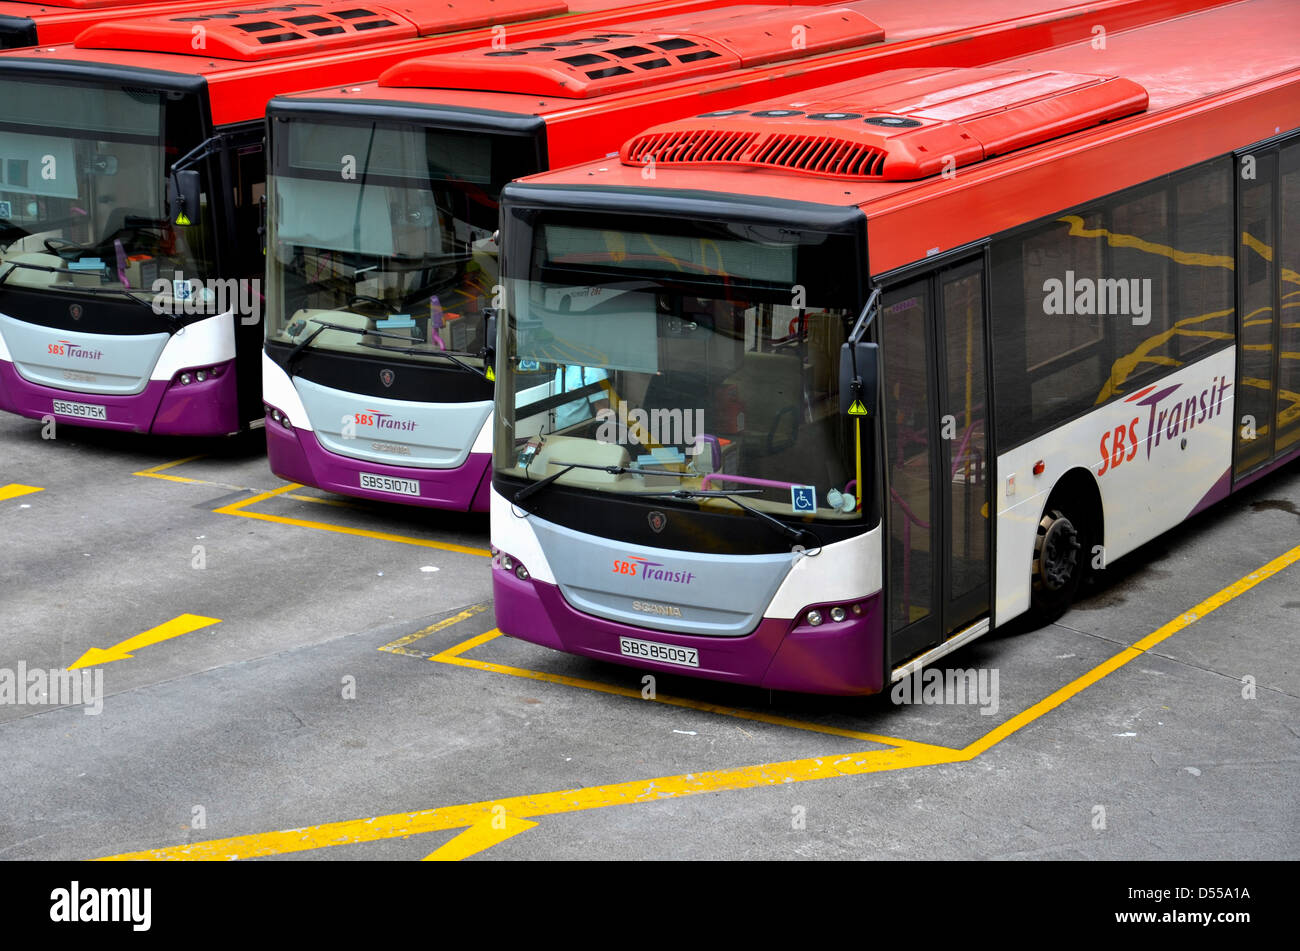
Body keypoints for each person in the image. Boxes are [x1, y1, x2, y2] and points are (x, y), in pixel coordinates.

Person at [554, 364, 609, 430]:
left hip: (584, 435)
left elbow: (603, 411)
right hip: (561, 435)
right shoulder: (560, 369)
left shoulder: (593, 370)